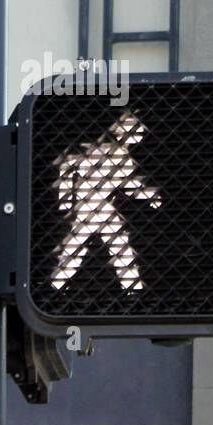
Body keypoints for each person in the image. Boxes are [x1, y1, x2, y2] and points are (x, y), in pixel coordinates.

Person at [51, 110, 162, 291]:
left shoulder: (121, 157)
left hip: (103, 209)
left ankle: (133, 291)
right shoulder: (105, 151)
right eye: (138, 132)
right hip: (90, 208)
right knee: (76, 251)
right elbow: (69, 163)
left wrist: (148, 195)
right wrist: (66, 198)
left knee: (116, 250)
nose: (141, 136)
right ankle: (56, 285)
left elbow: (126, 184)